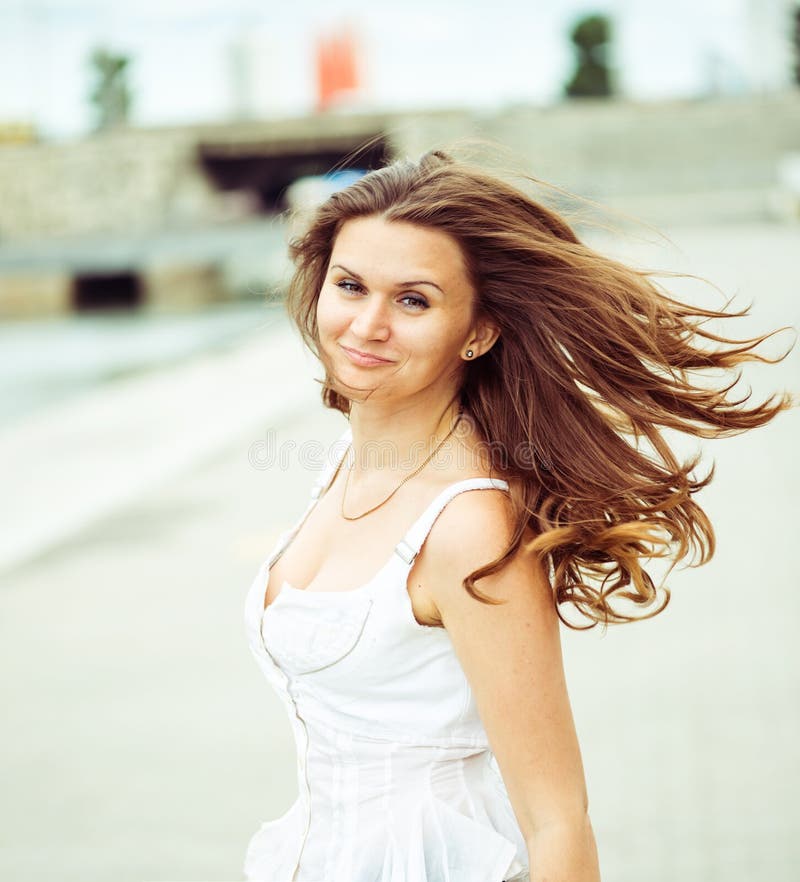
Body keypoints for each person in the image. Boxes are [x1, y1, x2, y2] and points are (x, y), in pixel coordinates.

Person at [242, 150, 794, 882]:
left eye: (414, 301)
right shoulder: (346, 459)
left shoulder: (467, 528)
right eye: (350, 286)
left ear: (478, 331)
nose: (366, 324)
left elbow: (556, 817)